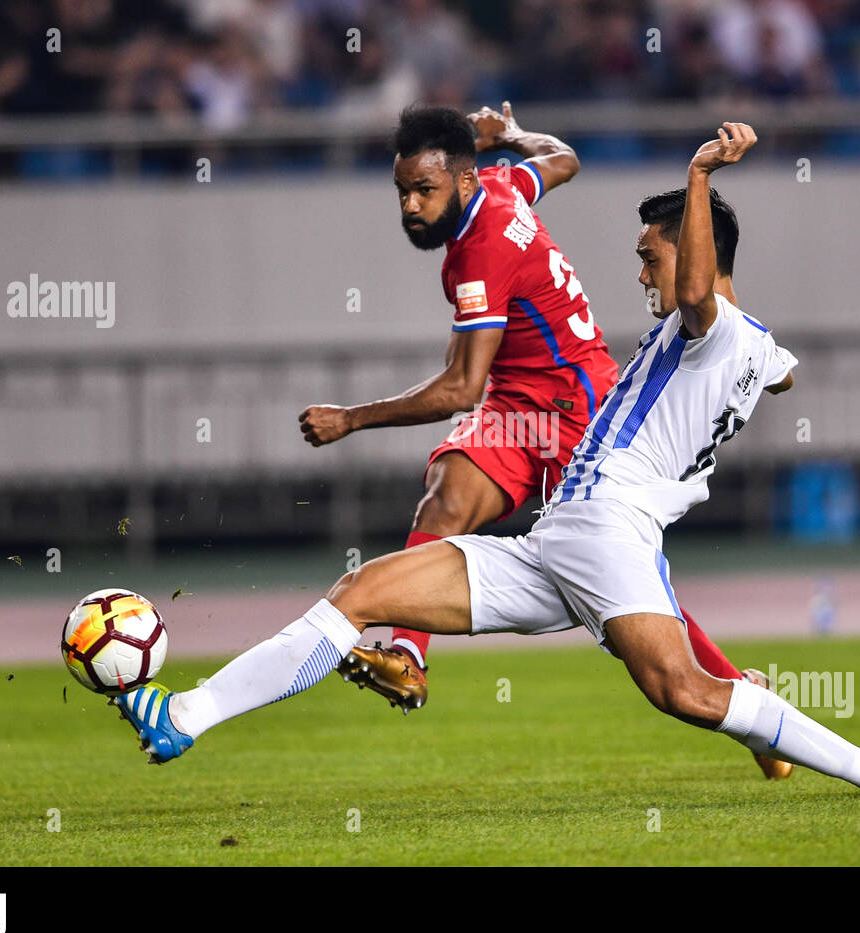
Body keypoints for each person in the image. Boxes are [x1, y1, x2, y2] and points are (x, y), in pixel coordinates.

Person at [115, 123, 860, 799]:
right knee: (362, 591)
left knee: (685, 693)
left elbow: (700, 296)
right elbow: (780, 371)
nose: (643, 275)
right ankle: (184, 716)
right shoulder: (755, 348)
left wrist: (701, 175)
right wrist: (774, 373)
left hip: (608, 530)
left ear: (696, 245)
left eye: (652, 254)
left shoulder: (713, 329)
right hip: (555, 540)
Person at [298, 104, 780, 779]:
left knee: (622, 598)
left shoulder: (482, 250)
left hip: (580, 406)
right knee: (445, 501)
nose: (410, 205)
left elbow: (460, 387)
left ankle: (752, 712)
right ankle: (408, 656)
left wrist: (351, 418)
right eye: (402, 192)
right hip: (515, 406)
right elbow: (564, 157)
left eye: (423, 191)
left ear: (460, 182)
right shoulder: (503, 186)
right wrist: (513, 135)